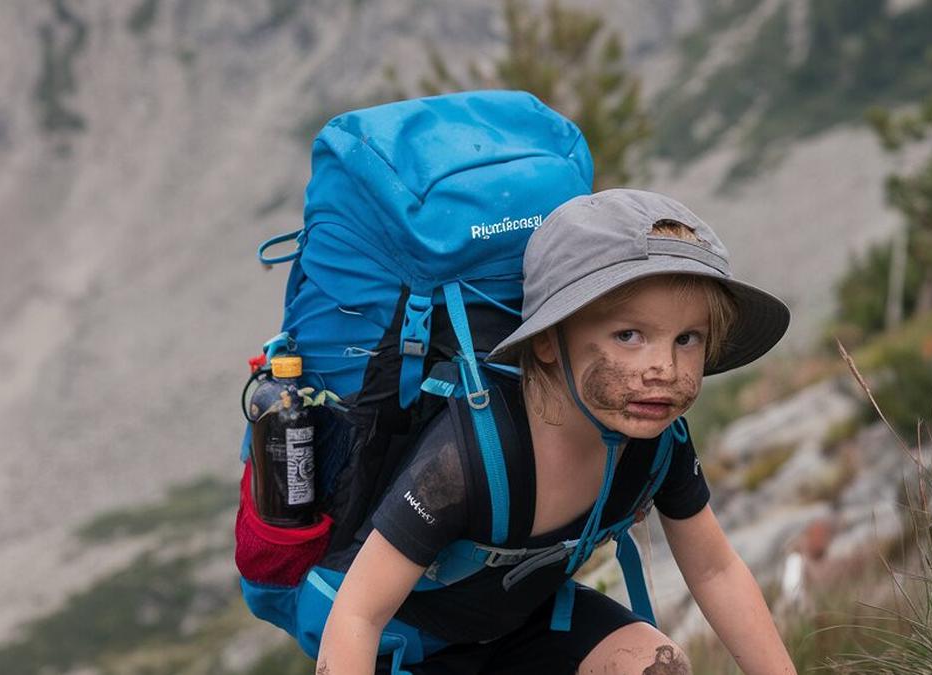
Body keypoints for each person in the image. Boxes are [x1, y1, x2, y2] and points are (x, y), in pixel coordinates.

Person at [317, 189, 797, 674]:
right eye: (628, 336)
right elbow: (358, 615)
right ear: (548, 341)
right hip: (412, 645)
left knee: (658, 667)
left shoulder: (659, 443)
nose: (664, 369)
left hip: (524, 625)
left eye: (686, 339)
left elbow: (715, 570)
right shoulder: (470, 460)